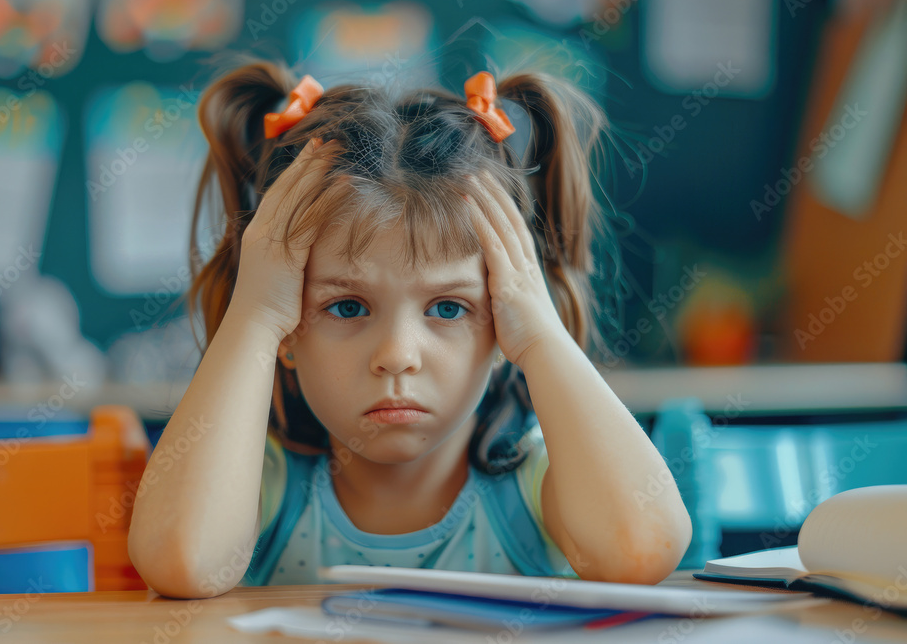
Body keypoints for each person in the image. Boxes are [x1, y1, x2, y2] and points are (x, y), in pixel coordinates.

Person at [127, 59, 692, 599]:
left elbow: (641, 551)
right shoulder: (261, 484)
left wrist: (542, 336)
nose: (397, 356)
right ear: (288, 332)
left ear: (504, 326)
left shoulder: (539, 482)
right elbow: (182, 562)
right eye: (347, 308)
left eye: (448, 309)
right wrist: (252, 317)